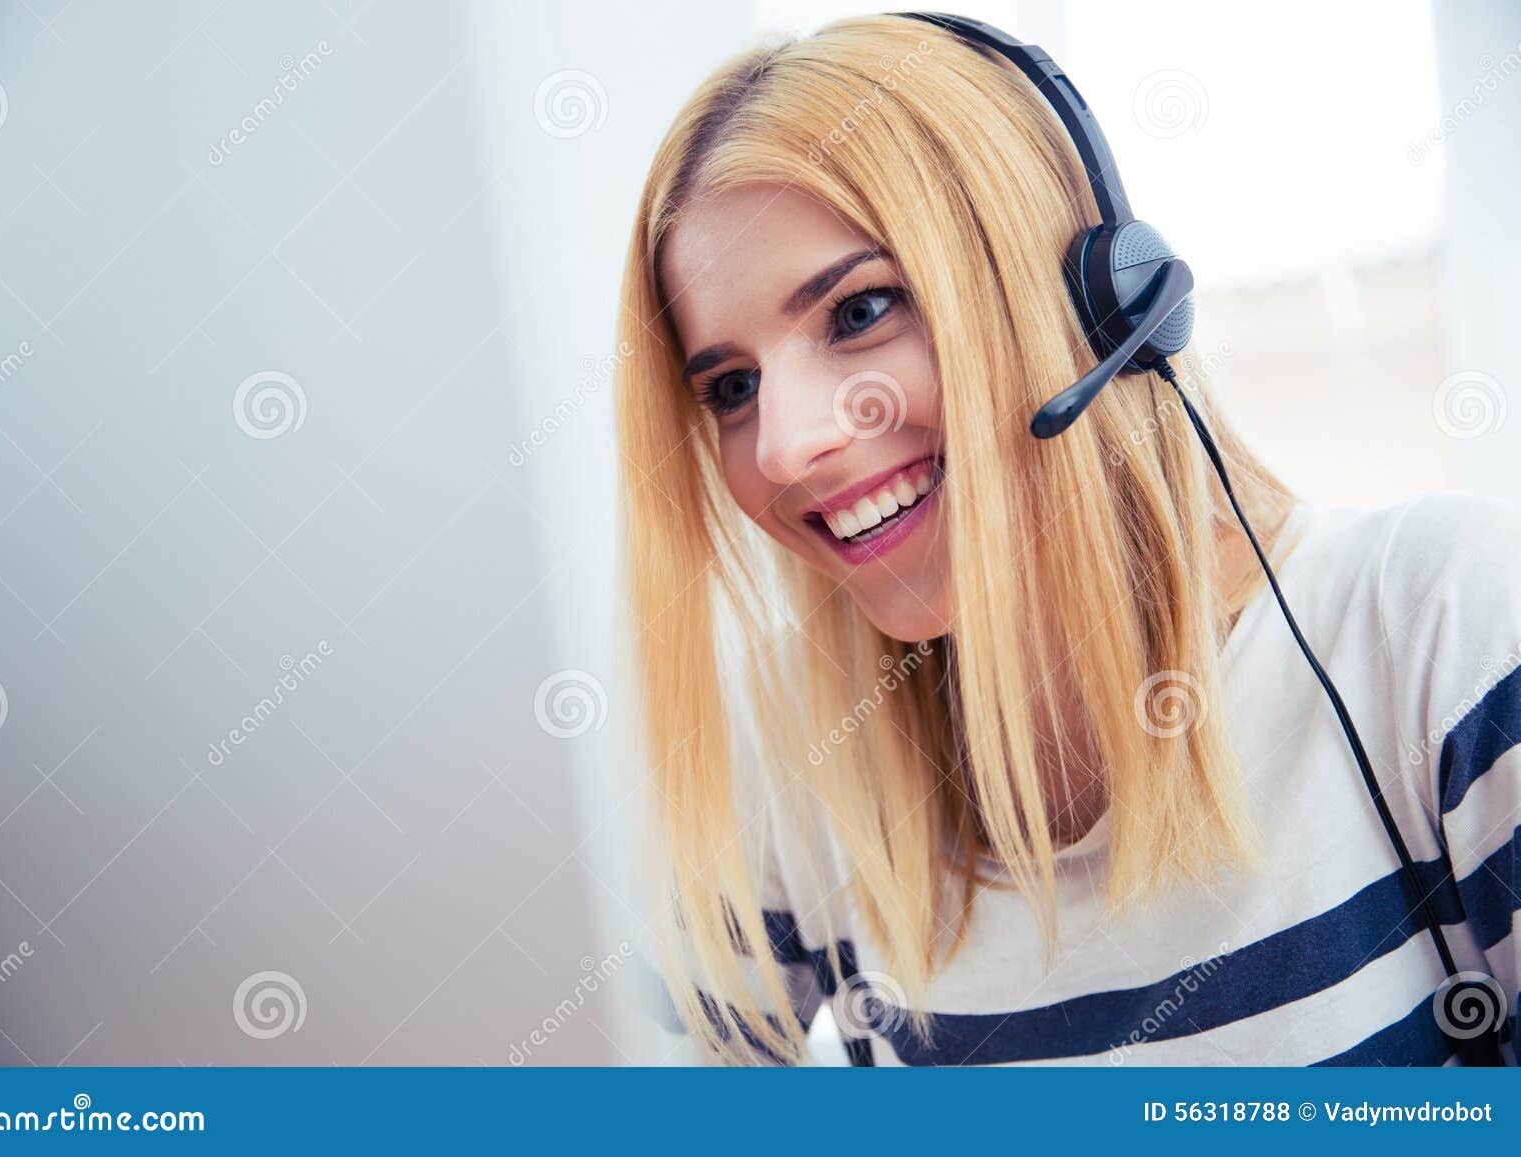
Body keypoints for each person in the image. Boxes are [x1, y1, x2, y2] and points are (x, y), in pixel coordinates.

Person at [612, 13, 1520, 1065]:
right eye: (730, 387)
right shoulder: (794, 747)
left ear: (1095, 302)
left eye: (861, 310)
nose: (782, 446)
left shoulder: (1438, 631)